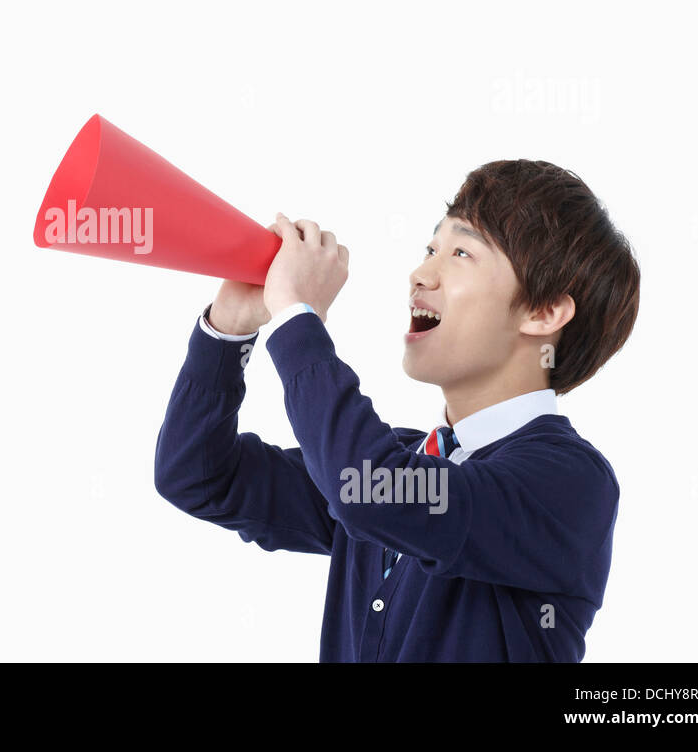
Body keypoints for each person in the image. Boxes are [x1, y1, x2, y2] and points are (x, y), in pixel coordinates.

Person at [153, 159, 640, 661]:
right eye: (431, 248)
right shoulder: (400, 463)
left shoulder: (567, 483)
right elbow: (198, 475)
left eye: (461, 252)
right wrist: (229, 329)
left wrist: (299, 320)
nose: (421, 272)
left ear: (544, 313)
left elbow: (365, 487)